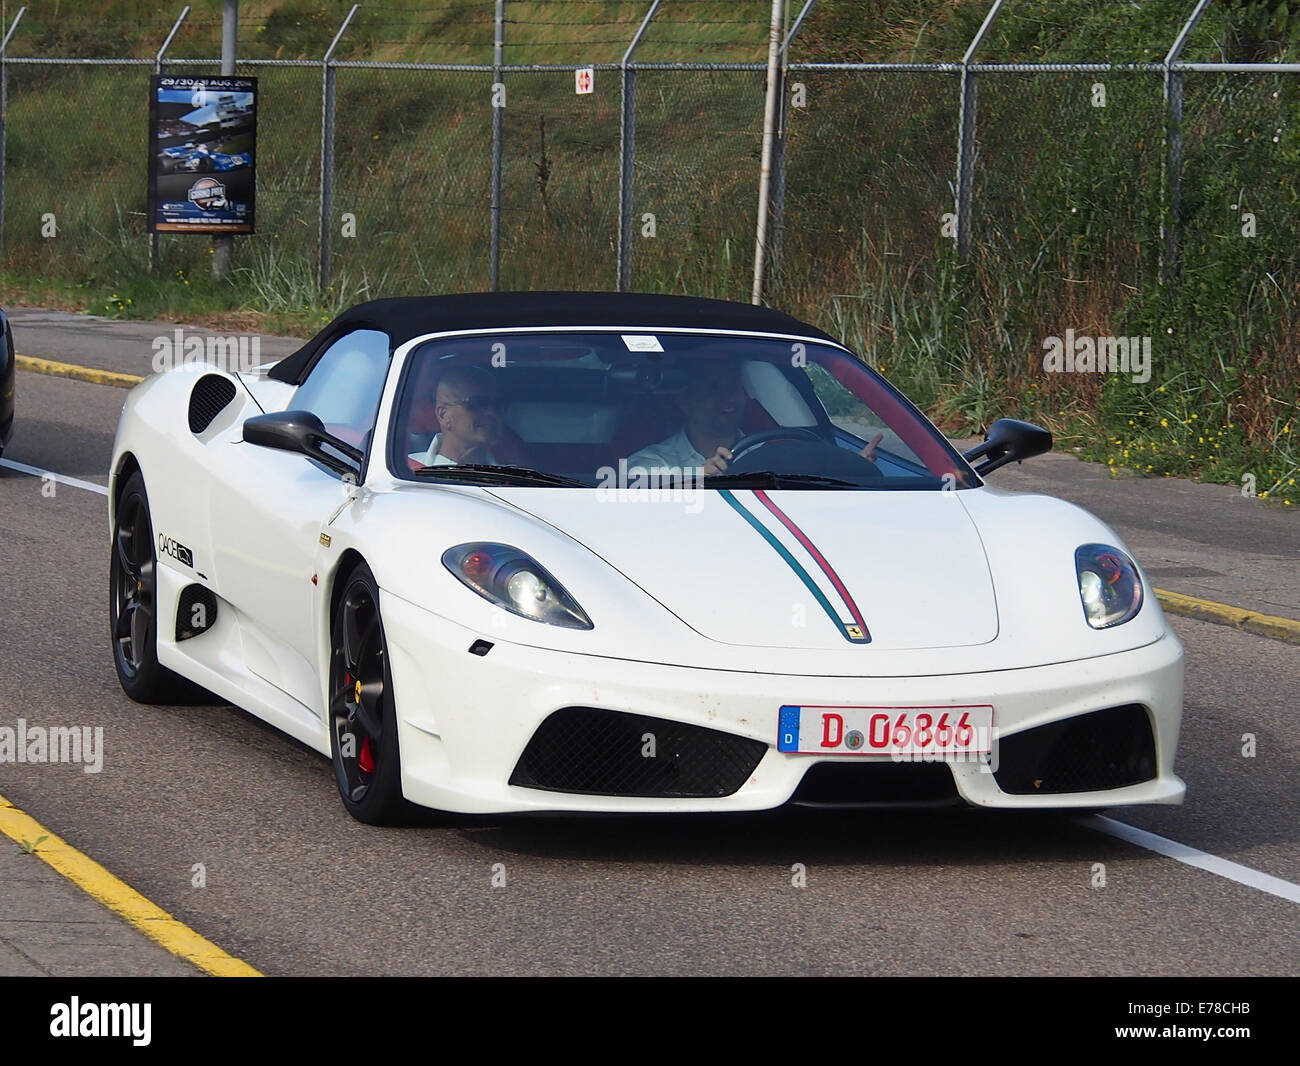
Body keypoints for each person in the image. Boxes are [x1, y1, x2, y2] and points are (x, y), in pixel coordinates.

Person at [627, 359, 883, 476]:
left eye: (734, 386)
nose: (728, 397)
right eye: (713, 388)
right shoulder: (651, 464)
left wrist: (852, 470)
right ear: (683, 401)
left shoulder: (773, 455)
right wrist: (699, 480)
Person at [408, 365, 504, 467]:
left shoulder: (512, 478)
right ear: (443, 415)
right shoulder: (403, 470)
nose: (492, 413)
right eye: (478, 403)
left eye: (498, 405)